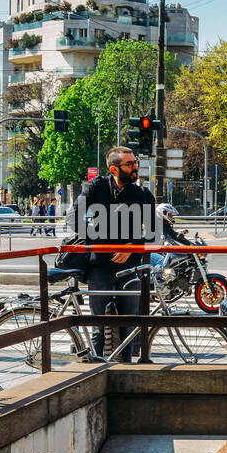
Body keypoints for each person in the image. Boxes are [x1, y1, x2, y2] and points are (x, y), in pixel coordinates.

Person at [77, 145, 157, 362]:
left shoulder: (142, 194)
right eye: (129, 164)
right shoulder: (97, 187)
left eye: (135, 162)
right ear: (114, 168)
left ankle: (126, 369)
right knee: (98, 326)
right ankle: (95, 369)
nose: (135, 167)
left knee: (129, 325)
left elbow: (152, 234)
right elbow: (76, 217)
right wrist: (99, 237)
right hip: (99, 267)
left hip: (130, 267)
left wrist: (131, 245)